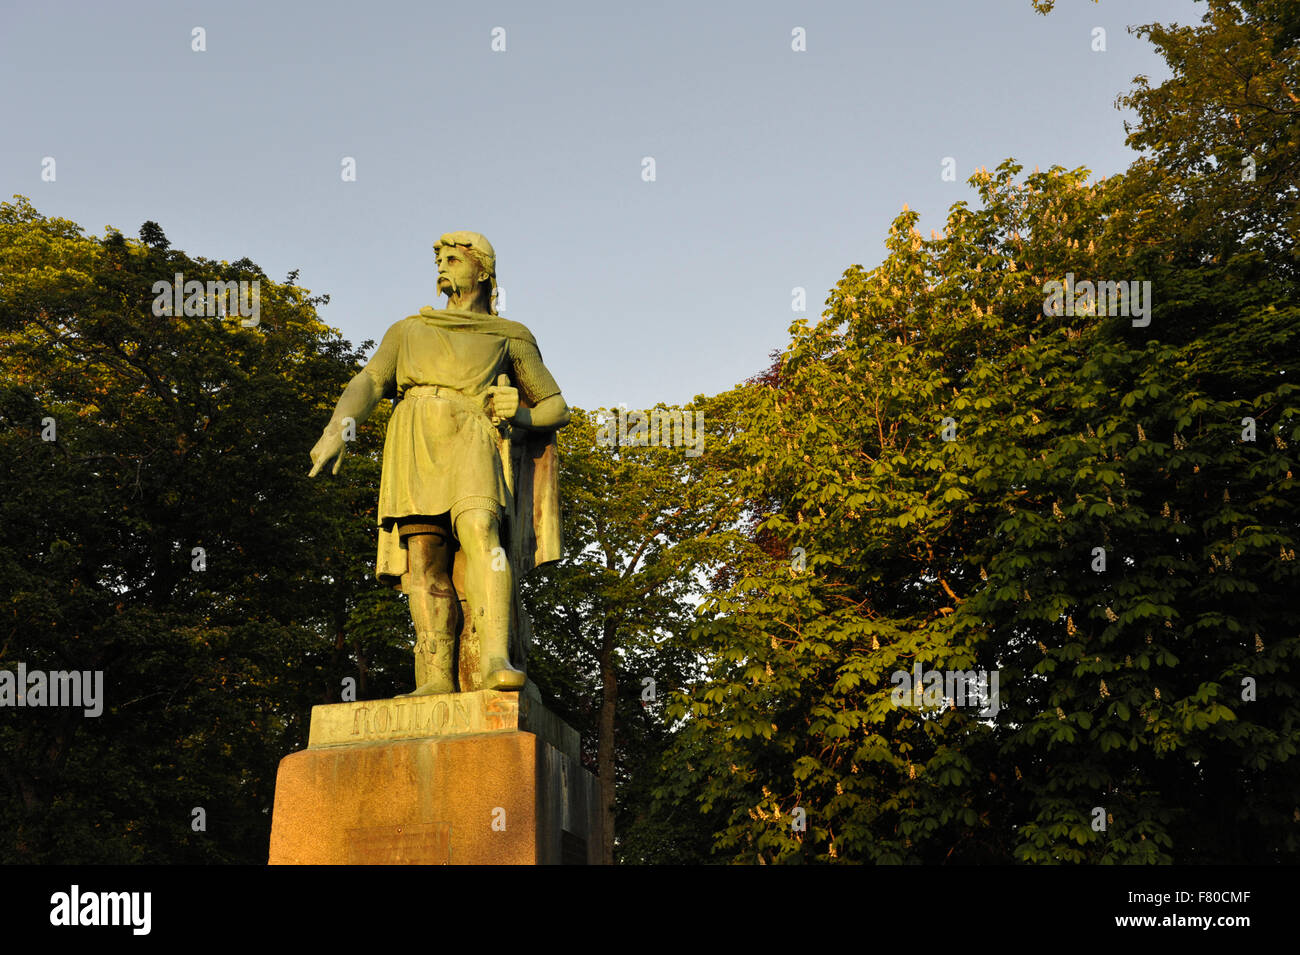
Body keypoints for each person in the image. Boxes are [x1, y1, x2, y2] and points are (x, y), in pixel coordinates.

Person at [308, 231, 569, 693]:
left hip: (472, 434)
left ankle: (494, 660)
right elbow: (369, 382)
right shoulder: (408, 330)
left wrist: (521, 413)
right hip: (414, 435)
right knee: (425, 561)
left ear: (483, 270)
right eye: (440, 260)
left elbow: (555, 407)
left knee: (482, 535)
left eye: (453, 259)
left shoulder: (509, 336)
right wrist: (338, 429)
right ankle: (433, 680)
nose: (442, 267)